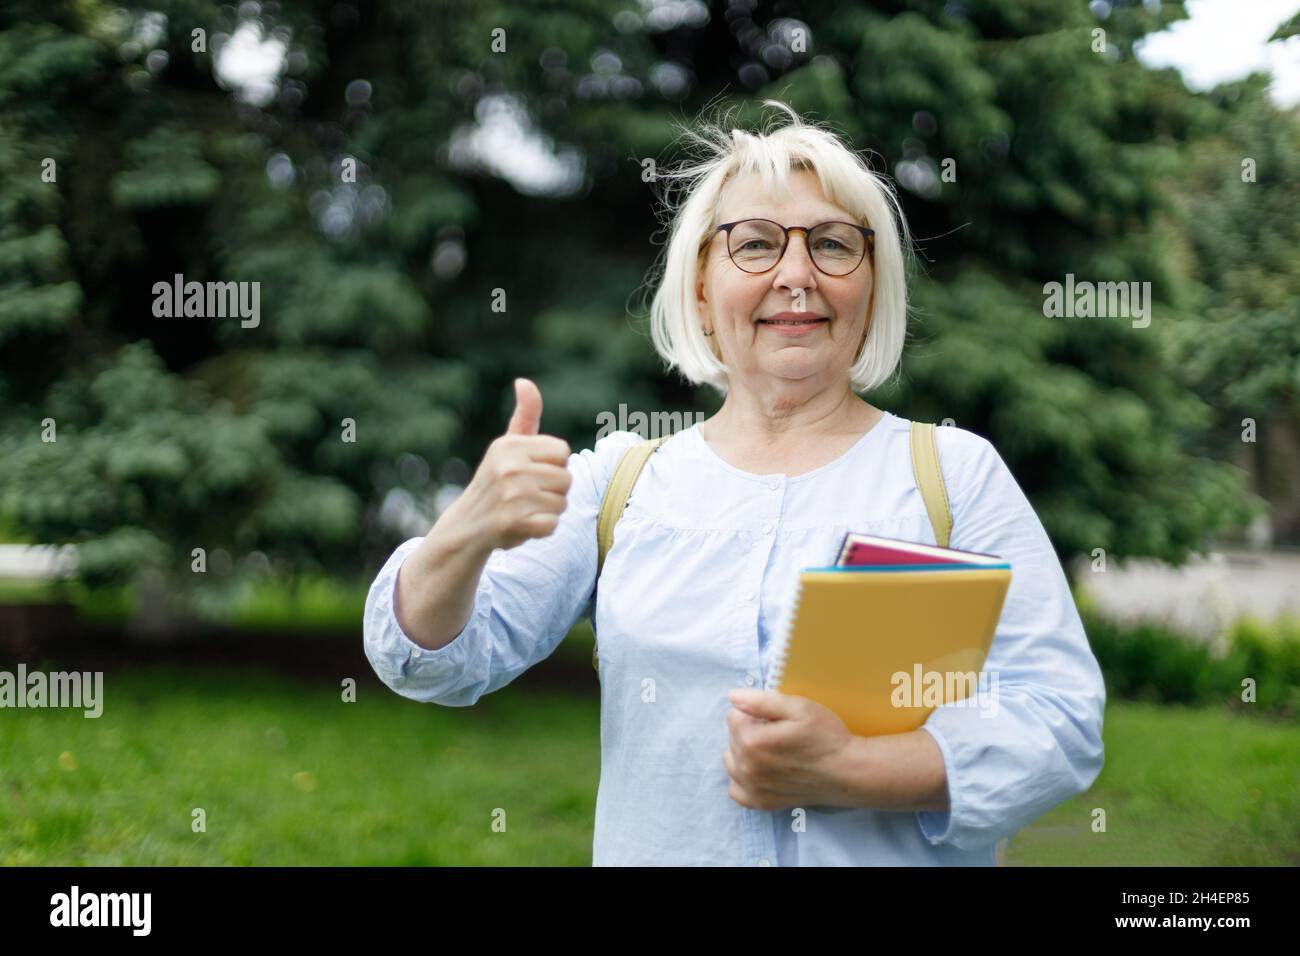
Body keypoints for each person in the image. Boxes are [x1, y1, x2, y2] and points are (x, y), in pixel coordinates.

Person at [362, 101, 1106, 866]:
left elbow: (1059, 720)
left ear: (873, 288)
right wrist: (466, 529)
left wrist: (852, 771)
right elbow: (433, 663)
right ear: (699, 293)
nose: (796, 275)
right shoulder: (620, 484)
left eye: (832, 244)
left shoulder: (954, 476)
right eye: (754, 244)